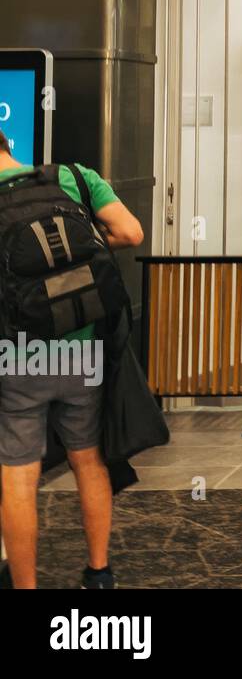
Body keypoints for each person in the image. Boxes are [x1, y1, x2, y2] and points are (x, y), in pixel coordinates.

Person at [0, 130, 143, 589]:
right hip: (82, 348)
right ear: (8, 146)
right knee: (89, 461)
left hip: (18, 356)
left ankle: (24, 586)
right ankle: (99, 572)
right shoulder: (76, 178)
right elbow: (131, 232)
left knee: (18, 477)